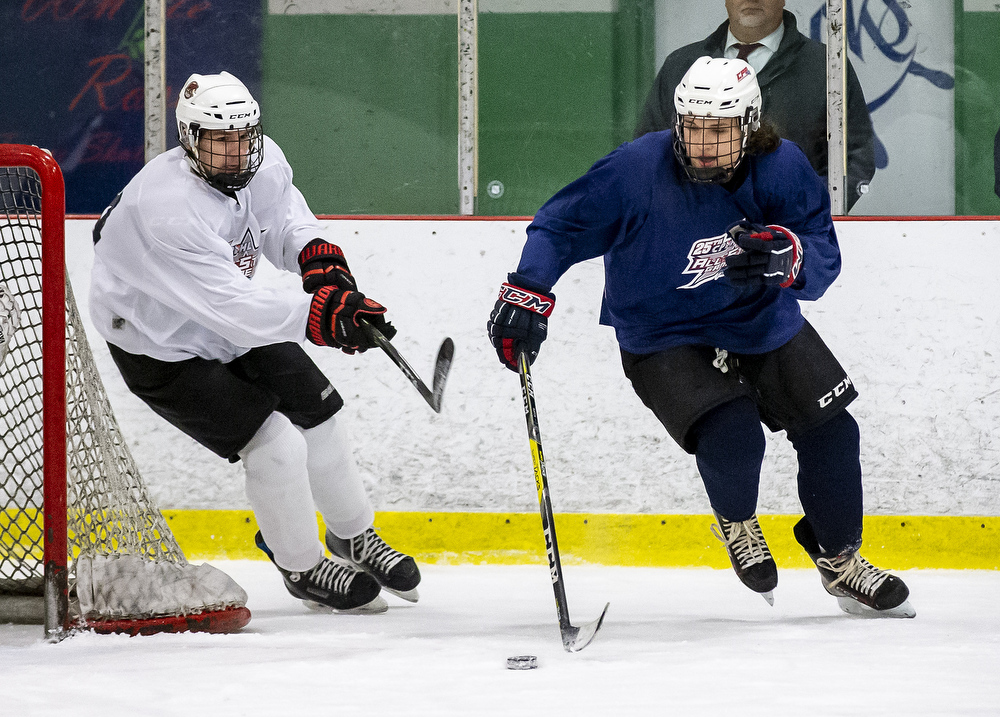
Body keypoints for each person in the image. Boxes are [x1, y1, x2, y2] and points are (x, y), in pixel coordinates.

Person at [488, 56, 914, 618]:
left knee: (834, 432)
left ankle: (840, 561)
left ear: (751, 124)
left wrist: (791, 257)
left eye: (719, 129)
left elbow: (823, 253)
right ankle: (737, 522)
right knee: (733, 431)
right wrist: (526, 290)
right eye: (693, 127)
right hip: (662, 331)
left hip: (760, 320)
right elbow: (561, 225)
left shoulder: (782, 168)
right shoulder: (635, 170)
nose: (704, 143)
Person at [89, 71, 420, 614]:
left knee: (322, 416)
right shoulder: (166, 210)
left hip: (225, 318)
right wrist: (327, 316)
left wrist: (317, 258)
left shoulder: (260, 161)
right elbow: (237, 312)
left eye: (243, 137)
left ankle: (352, 535)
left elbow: (285, 219)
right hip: (161, 345)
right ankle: (301, 565)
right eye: (219, 141)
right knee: (276, 444)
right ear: (189, 140)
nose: (235, 152)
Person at [635, 0, 875, 212]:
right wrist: (684, 212)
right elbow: (650, 151)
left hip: (791, 231)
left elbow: (855, 157)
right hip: (693, 230)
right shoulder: (681, 65)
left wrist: (804, 211)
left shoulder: (827, 66)